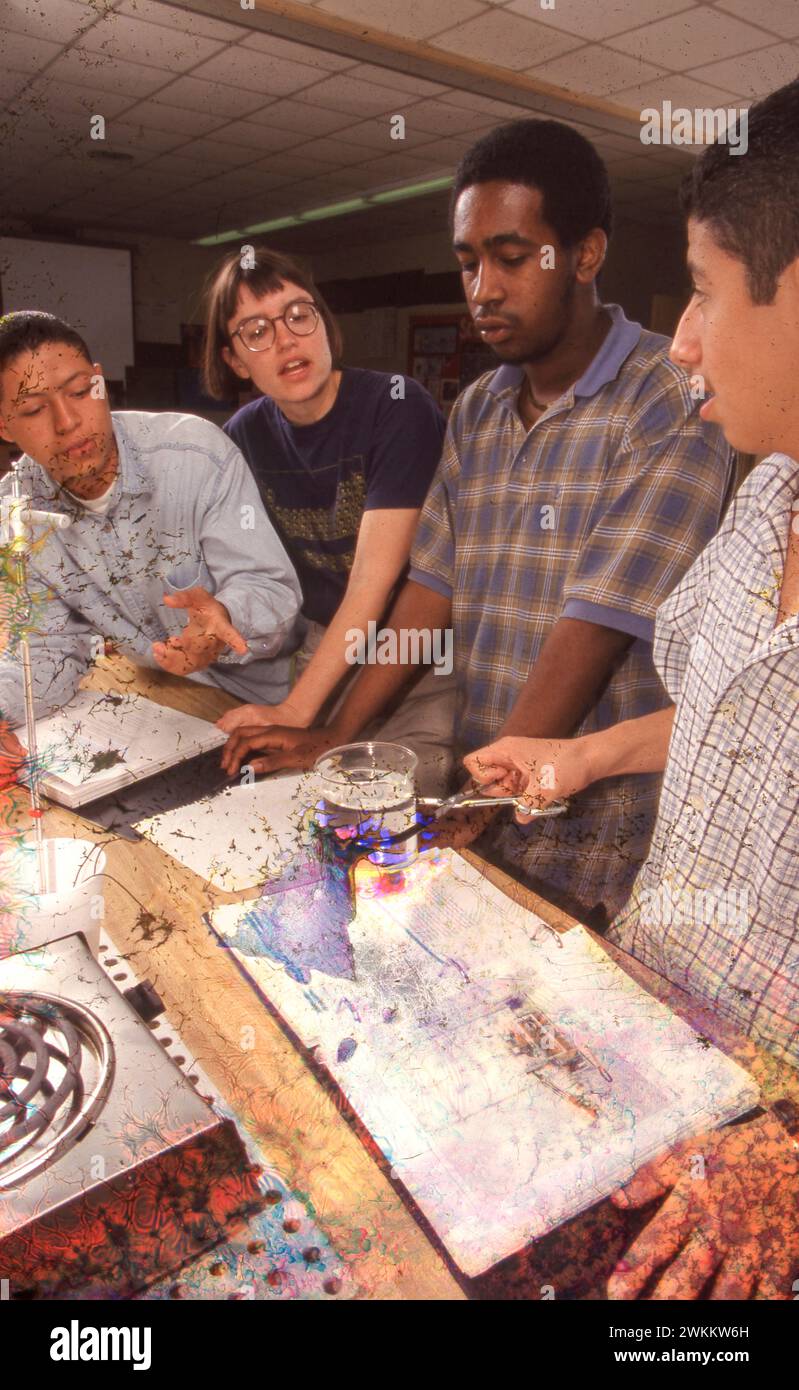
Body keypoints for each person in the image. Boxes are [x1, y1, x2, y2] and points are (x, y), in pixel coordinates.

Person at [221, 120, 735, 927]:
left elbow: (593, 627)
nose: (482, 289)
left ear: (584, 254)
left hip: (598, 819)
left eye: (510, 256)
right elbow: (428, 593)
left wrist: (486, 800)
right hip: (479, 781)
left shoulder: (665, 398)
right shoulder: (478, 410)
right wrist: (339, 732)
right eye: (467, 263)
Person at [465, 80, 799, 1299]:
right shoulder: (768, 493)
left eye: (705, 291)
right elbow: (730, 713)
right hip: (653, 1032)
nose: (686, 340)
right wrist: (587, 757)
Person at [200, 247, 453, 795]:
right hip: (325, 649)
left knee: (398, 799)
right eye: (256, 330)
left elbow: (373, 581)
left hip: (416, 650)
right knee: (295, 800)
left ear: (323, 323)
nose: (286, 339)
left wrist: (296, 709)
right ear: (236, 360)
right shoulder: (243, 437)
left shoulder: (397, 406)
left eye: (298, 314)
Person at [0, 310, 303, 735]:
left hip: (265, 702)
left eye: (82, 391)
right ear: (4, 425)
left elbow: (271, 589)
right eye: (33, 410)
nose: (68, 422)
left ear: (100, 381)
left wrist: (224, 620)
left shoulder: (196, 454)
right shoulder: (18, 512)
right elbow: (49, 651)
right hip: (162, 698)